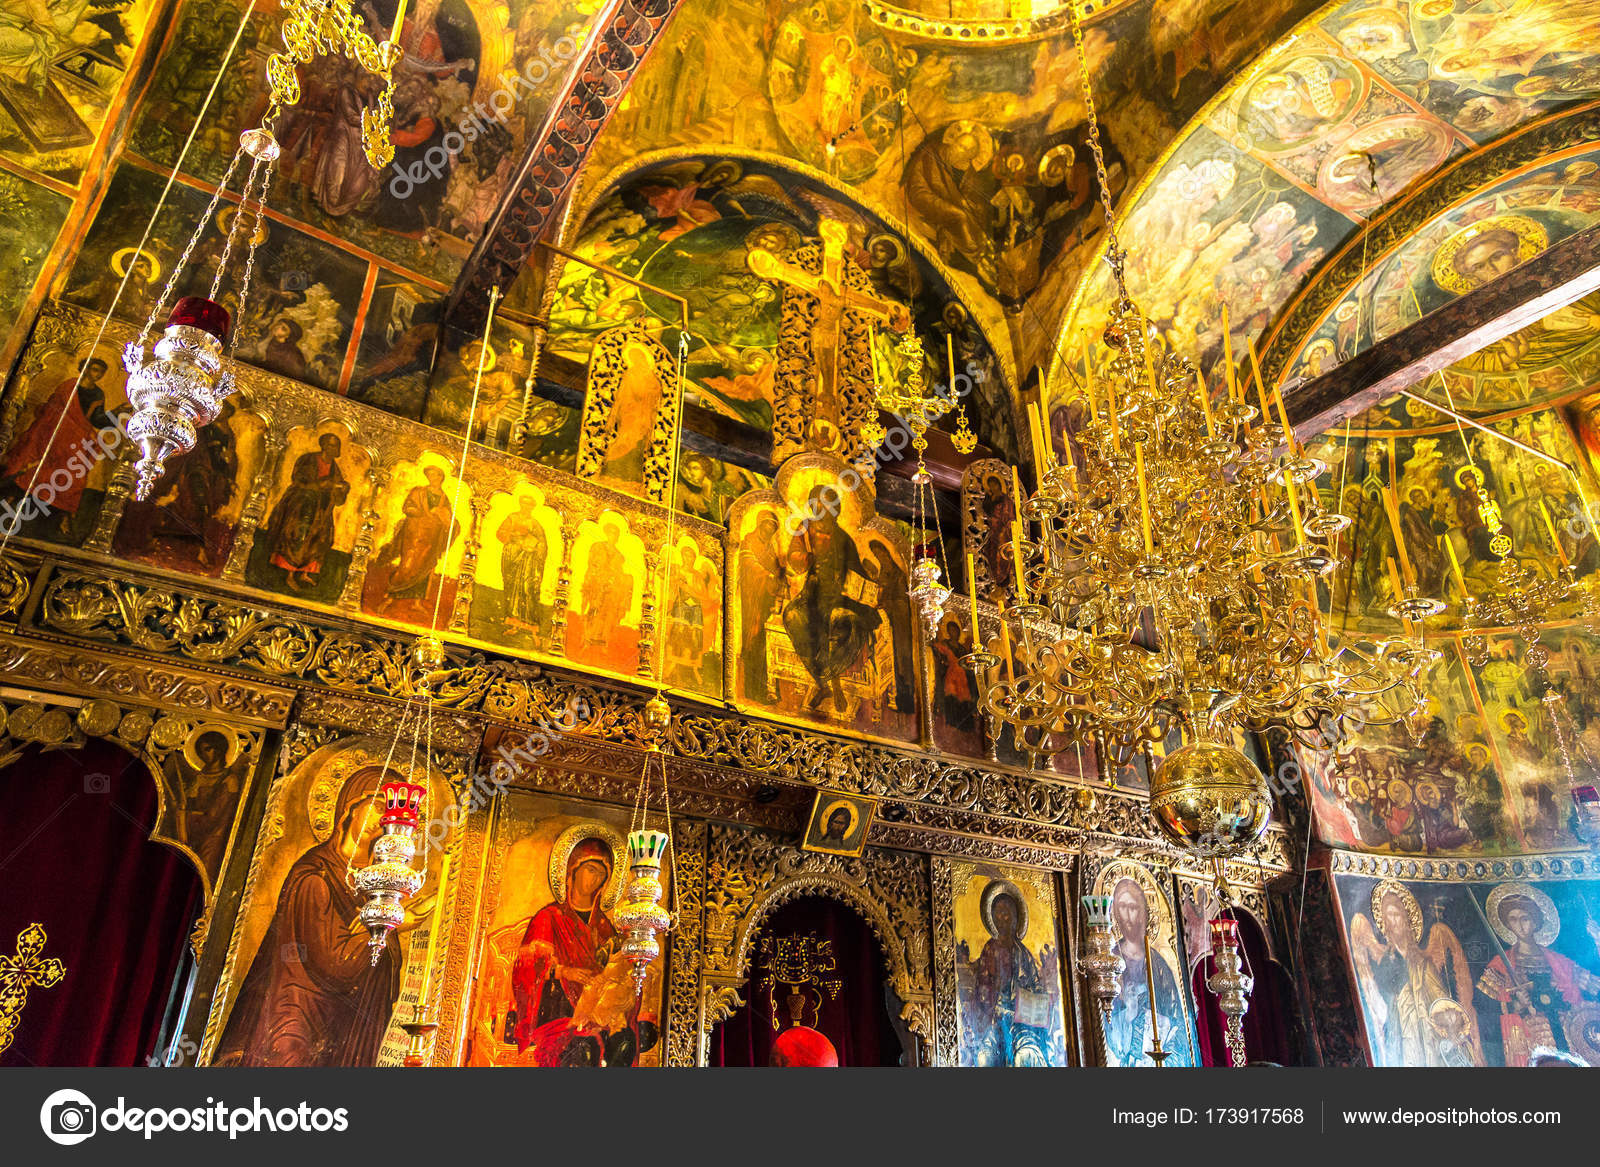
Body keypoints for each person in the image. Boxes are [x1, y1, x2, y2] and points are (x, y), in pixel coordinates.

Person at [213, 767, 400, 1066]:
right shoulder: (314, 876)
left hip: (347, 1021)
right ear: (350, 806)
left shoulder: (379, 885)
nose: (380, 821)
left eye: (388, 816)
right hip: (296, 1009)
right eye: (376, 806)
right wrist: (376, 931)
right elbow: (332, 964)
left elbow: (376, 969)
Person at [511, 837, 649, 1066]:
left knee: (625, 1042)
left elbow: (621, 971)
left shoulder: (604, 927)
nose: (594, 879)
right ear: (572, 869)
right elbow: (525, 970)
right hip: (558, 1015)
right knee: (583, 1048)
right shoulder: (549, 918)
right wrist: (563, 972)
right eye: (590, 870)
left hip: (598, 1014)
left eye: (600, 874)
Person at [782, 486, 879, 714]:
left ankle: (831, 684)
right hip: (812, 591)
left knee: (842, 624)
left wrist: (870, 576)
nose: (821, 509)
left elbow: (857, 569)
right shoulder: (805, 528)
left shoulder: (842, 537)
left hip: (838, 595)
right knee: (793, 617)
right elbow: (792, 556)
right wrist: (808, 556)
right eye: (816, 504)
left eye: (825, 505)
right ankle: (824, 684)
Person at [1477, 889, 1600, 1066]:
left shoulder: (1560, 962)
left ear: (1535, 922)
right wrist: (1514, 1005)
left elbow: (1595, 986)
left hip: (1566, 1033)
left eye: (1525, 918)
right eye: (1513, 919)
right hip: (1529, 1035)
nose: (1519, 925)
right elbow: (1483, 1007)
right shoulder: (1500, 964)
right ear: (1507, 924)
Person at [1104, 877, 1191, 1066]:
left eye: (1133, 907)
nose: (1127, 915)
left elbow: (1177, 1017)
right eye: (1122, 907)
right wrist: (1128, 1011)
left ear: (1143, 913)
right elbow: (1106, 1020)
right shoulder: (1110, 959)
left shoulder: (1158, 964)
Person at [969, 883, 1054, 1066]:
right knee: (984, 1056)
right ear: (992, 917)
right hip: (996, 1018)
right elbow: (982, 988)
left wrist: (1039, 995)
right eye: (998, 912)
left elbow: (1035, 987)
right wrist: (993, 996)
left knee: (1025, 1055)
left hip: (1022, 1023)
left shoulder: (1022, 953)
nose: (1003, 917)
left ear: (1015, 917)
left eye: (1007, 912)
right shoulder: (990, 949)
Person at [262, 433, 349, 592]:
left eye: (336, 445)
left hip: (321, 509)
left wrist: (342, 488)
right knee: (299, 535)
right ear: (324, 446)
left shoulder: (334, 468)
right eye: (332, 445)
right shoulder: (308, 459)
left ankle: (305, 572)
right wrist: (321, 484)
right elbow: (299, 479)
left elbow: (338, 493)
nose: (335, 449)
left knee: (320, 538)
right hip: (301, 503)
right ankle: (290, 574)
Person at [375, 465, 453, 612]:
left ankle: (417, 602)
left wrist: (441, 512)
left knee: (426, 567)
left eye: (435, 475)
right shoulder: (419, 492)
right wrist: (424, 512)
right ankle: (389, 597)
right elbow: (408, 507)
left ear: (441, 477)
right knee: (407, 565)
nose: (432, 478)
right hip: (414, 534)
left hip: (431, 538)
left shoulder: (444, 498)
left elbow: (449, 519)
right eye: (429, 475)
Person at [496, 495, 548, 637]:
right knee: (512, 587)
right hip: (513, 556)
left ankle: (528, 624)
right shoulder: (512, 518)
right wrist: (517, 539)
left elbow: (543, 544)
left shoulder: (535, 524)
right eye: (524, 504)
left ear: (533, 507)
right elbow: (501, 533)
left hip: (528, 561)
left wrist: (535, 545)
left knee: (527, 588)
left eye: (529, 505)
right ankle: (512, 620)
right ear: (520, 504)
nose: (526, 507)